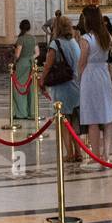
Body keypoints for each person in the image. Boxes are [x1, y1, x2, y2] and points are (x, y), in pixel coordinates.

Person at [77, 5, 112, 167]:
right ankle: (106, 155)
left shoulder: (86, 38)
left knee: (92, 118)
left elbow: (82, 62)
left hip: (90, 76)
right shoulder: (107, 36)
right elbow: (109, 58)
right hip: (104, 74)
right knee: (106, 117)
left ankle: (96, 156)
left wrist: (79, 77)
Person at [40, 15, 81, 162]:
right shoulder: (74, 43)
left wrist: (41, 81)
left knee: (63, 121)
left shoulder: (55, 44)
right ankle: (78, 152)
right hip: (76, 86)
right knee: (74, 123)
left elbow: (47, 66)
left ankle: (69, 153)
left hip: (63, 88)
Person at [10, 20, 38, 121]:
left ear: (21, 27)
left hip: (22, 64)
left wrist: (13, 60)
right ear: (29, 27)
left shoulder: (21, 39)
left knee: (19, 88)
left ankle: (21, 113)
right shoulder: (33, 38)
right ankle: (31, 112)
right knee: (30, 88)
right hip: (31, 64)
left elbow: (17, 55)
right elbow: (37, 53)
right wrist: (30, 58)